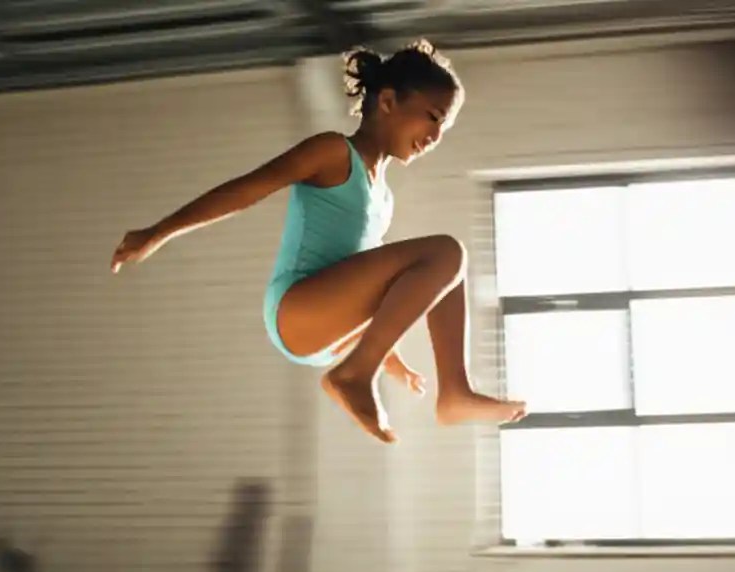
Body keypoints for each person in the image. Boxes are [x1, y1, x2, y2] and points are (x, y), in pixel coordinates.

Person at [111, 39, 526, 444]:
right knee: (445, 253)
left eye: (445, 127)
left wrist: (394, 362)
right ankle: (357, 374)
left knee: (448, 270)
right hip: (295, 306)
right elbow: (248, 189)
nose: (436, 136)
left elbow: (373, 285)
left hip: (326, 333)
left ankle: (451, 390)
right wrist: (158, 232)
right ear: (387, 102)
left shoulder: (382, 194)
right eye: (433, 116)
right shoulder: (333, 152)